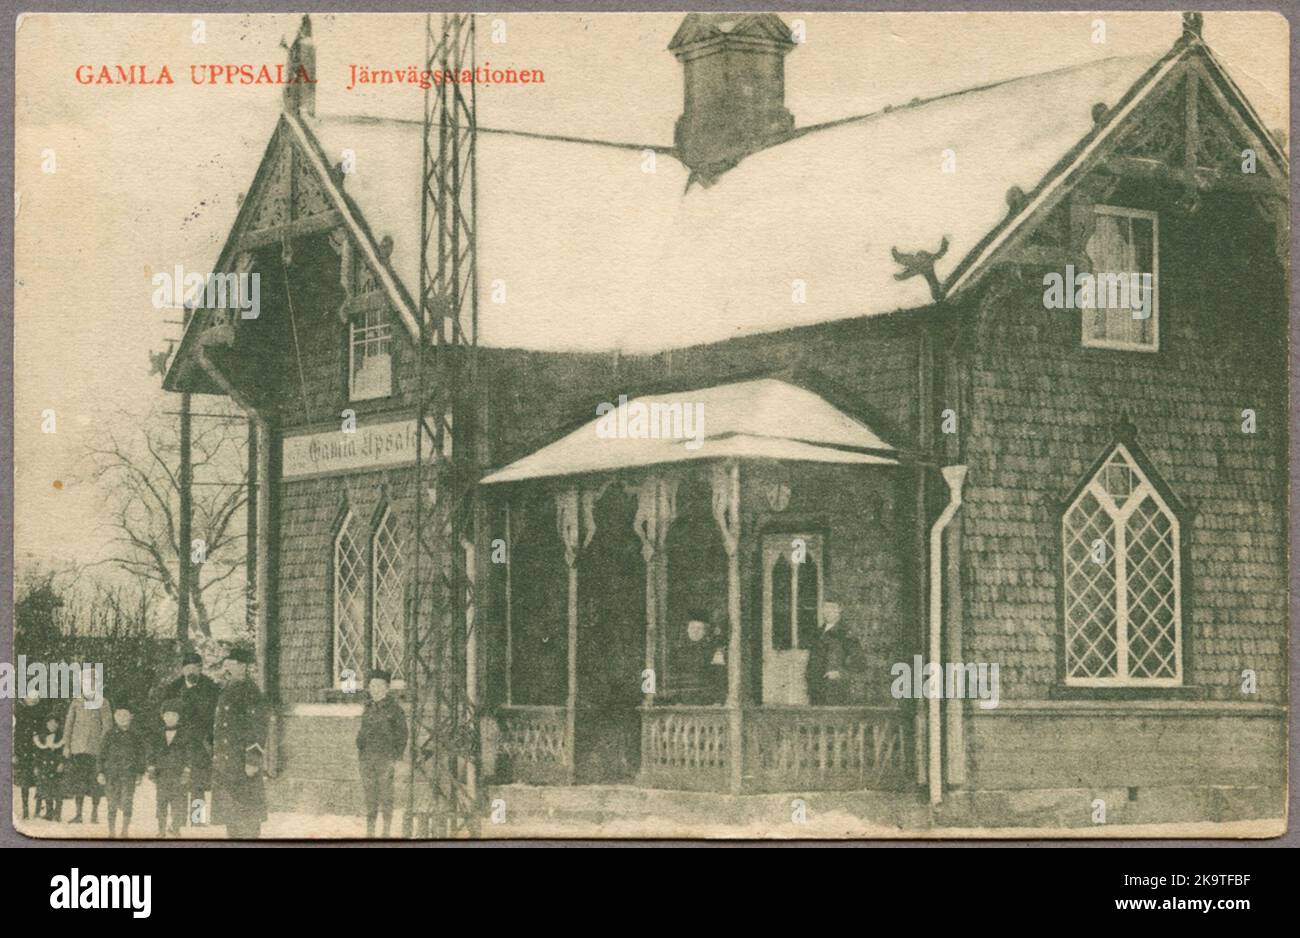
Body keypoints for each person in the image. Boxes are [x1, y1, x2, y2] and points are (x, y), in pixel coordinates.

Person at [211, 646, 268, 839]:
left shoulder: (250, 691)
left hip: (242, 763)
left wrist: (252, 760)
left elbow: (258, 727)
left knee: (247, 816)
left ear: (242, 667)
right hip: (227, 763)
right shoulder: (228, 688)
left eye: (231, 664)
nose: (227, 667)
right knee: (232, 817)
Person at [162, 651, 219, 822]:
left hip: (201, 742)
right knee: (179, 783)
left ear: (201, 669)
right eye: (187, 668)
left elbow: (214, 716)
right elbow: (164, 714)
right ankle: (178, 822)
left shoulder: (211, 688)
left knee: (198, 784)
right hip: (179, 743)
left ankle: (197, 820)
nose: (191, 672)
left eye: (195, 668)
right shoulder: (173, 688)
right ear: (182, 670)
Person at [354, 669, 408, 838]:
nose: (375, 689)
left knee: (385, 796)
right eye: (372, 685)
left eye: (379, 685)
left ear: (387, 688)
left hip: (385, 759)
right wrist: (360, 744)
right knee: (370, 796)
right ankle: (370, 832)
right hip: (367, 759)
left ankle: (385, 832)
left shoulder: (394, 709)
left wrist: (396, 757)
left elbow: (402, 735)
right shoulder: (368, 708)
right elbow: (362, 732)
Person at [62, 667, 111, 824]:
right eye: (86, 682)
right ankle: (78, 814)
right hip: (78, 750)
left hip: (96, 750)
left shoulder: (103, 702)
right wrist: (67, 745)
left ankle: (94, 813)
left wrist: (103, 748)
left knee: (95, 783)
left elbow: (107, 727)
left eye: (93, 682)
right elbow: (68, 725)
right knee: (79, 782)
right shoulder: (76, 702)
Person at [148, 698, 198, 837]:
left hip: (178, 774)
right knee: (161, 802)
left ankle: (175, 827)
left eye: (174, 715)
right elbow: (151, 752)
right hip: (162, 774)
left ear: (179, 717)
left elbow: (189, 754)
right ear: (162, 716)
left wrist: (187, 771)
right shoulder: (157, 734)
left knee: (179, 803)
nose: (170, 718)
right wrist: (151, 767)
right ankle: (161, 828)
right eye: (167, 715)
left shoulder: (186, 734)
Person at [97, 704, 147, 838]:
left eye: (125, 715)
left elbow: (141, 755)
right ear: (115, 717)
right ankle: (111, 831)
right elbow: (101, 755)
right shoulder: (109, 734)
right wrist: (100, 772)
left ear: (131, 717)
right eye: (119, 715)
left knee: (127, 801)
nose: (122, 718)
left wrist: (140, 773)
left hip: (129, 774)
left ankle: (125, 830)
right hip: (111, 774)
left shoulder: (136, 735)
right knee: (112, 803)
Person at [805, 601, 863, 705]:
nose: (827, 611)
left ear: (839, 611)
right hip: (817, 687)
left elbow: (859, 661)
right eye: (825, 607)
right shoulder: (818, 633)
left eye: (832, 608)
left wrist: (839, 673)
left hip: (835, 688)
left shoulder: (846, 633)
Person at [13, 688, 46, 820]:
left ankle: (38, 806)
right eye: (30, 701)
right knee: (26, 781)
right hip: (25, 750)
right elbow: (18, 734)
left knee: (38, 779)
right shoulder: (21, 714)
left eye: (34, 701)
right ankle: (26, 808)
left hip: (37, 749)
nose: (32, 703)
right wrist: (16, 752)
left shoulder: (41, 714)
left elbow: (42, 731)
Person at [32, 713, 65, 820]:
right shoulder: (41, 737)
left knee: (57, 790)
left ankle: (58, 813)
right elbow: (37, 753)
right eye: (50, 723)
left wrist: (62, 763)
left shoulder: (61, 737)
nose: (53, 725)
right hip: (44, 766)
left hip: (57, 767)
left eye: (55, 723)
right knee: (46, 789)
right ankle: (49, 812)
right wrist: (36, 766)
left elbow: (64, 753)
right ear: (46, 724)